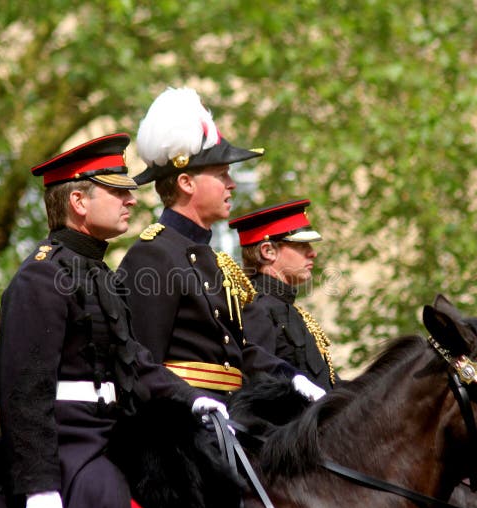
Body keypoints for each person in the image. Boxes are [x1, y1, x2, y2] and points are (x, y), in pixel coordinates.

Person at [0, 133, 227, 508]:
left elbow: (135, 362)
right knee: (108, 499)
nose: (131, 200)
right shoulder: (41, 276)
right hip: (67, 442)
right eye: (117, 192)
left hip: (108, 432)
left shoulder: (98, 275)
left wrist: (193, 400)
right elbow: (23, 389)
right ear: (78, 202)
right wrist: (39, 484)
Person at [118, 87, 325, 404]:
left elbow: (241, 352)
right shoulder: (152, 254)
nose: (231, 184)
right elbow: (141, 363)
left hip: (226, 418)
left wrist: (292, 377)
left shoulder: (210, 259)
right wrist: (191, 404)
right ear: (187, 183)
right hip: (179, 429)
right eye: (222, 174)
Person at [228, 199, 338, 391]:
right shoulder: (257, 308)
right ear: (268, 251)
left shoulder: (288, 308)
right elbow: (260, 388)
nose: (313, 253)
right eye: (302, 245)